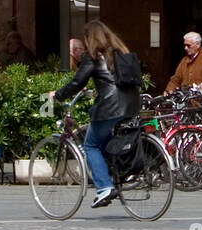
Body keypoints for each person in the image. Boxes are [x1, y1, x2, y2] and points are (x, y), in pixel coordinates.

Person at [52, 20, 139, 209]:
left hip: (110, 108)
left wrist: (58, 95)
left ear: (89, 38)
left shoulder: (93, 56)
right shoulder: (120, 51)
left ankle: (104, 188)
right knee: (108, 142)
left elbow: (78, 82)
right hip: (131, 104)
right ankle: (121, 174)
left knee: (91, 145)